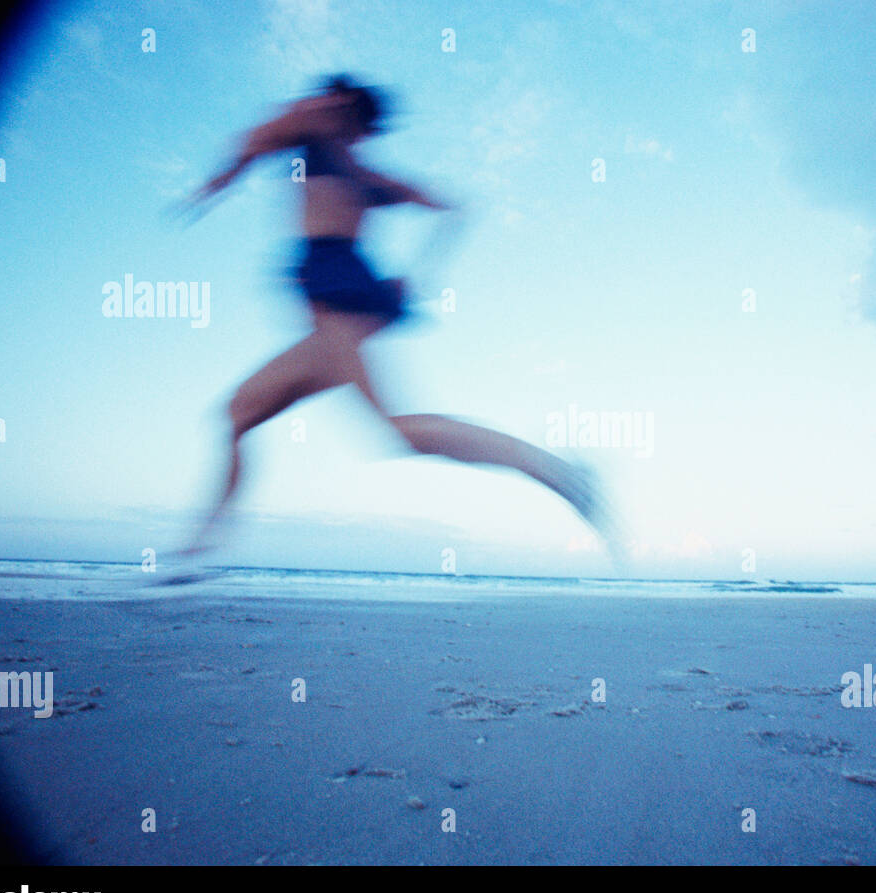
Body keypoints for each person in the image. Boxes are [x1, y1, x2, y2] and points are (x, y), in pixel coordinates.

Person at [176, 75, 610, 559]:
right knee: (239, 413)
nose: (309, 108)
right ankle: (197, 554)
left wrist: (218, 181)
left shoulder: (330, 152)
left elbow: (264, 136)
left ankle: (559, 471)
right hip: (335, 319)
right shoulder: (358, 173)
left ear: (342, 111)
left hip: (340, 309)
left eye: (326, 103)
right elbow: (450, 209)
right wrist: (221, 180)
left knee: (398, 430)